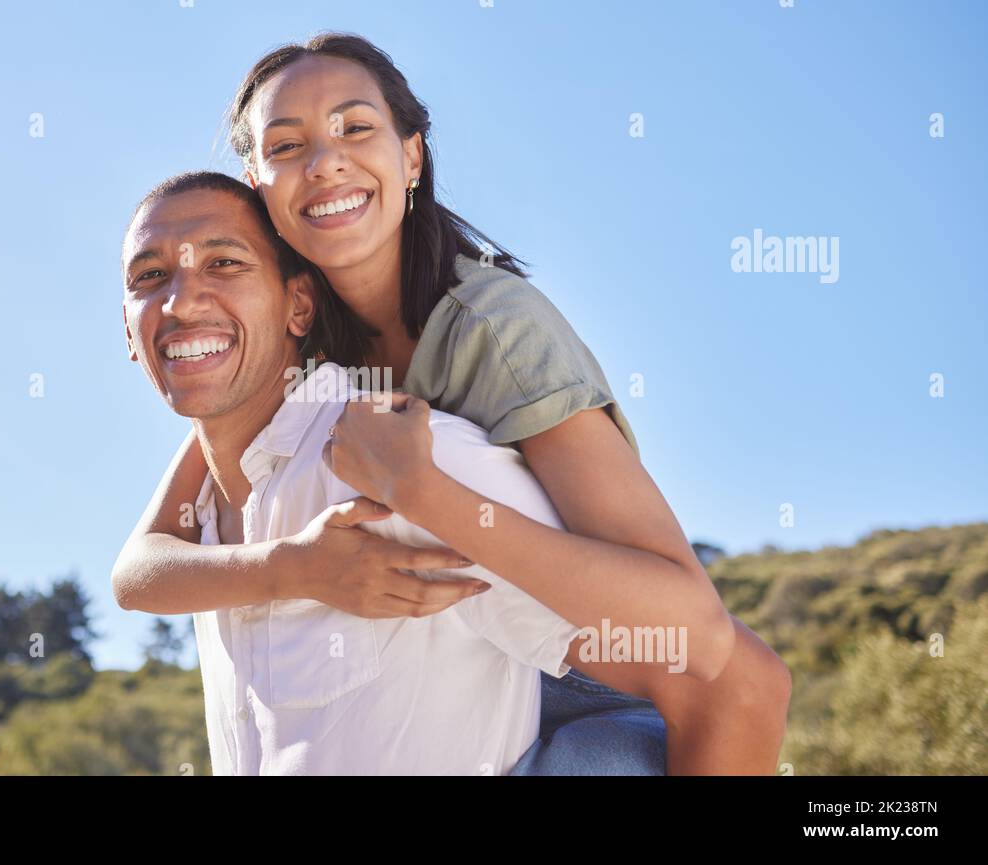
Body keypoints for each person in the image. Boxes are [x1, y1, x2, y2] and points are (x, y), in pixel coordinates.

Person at [115, 34, 791, 775]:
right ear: (258, 182)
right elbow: (142, 566)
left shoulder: (493, 330)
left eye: (355, 127)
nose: (324, 161)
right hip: (479, 643)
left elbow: (715, 653)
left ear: (412, 157)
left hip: (585, 647)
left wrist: (422, 490)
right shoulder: (283, 350)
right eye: (286, 144)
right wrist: (295, 568)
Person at [121, 171, 662, 774]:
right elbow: (132, 577)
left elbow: (685, 668)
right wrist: (290, 568)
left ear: (298, 304)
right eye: (150, 276)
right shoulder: (207, 510)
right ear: (129, 332)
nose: (179, 301)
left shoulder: (417, 466)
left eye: (223, 263)